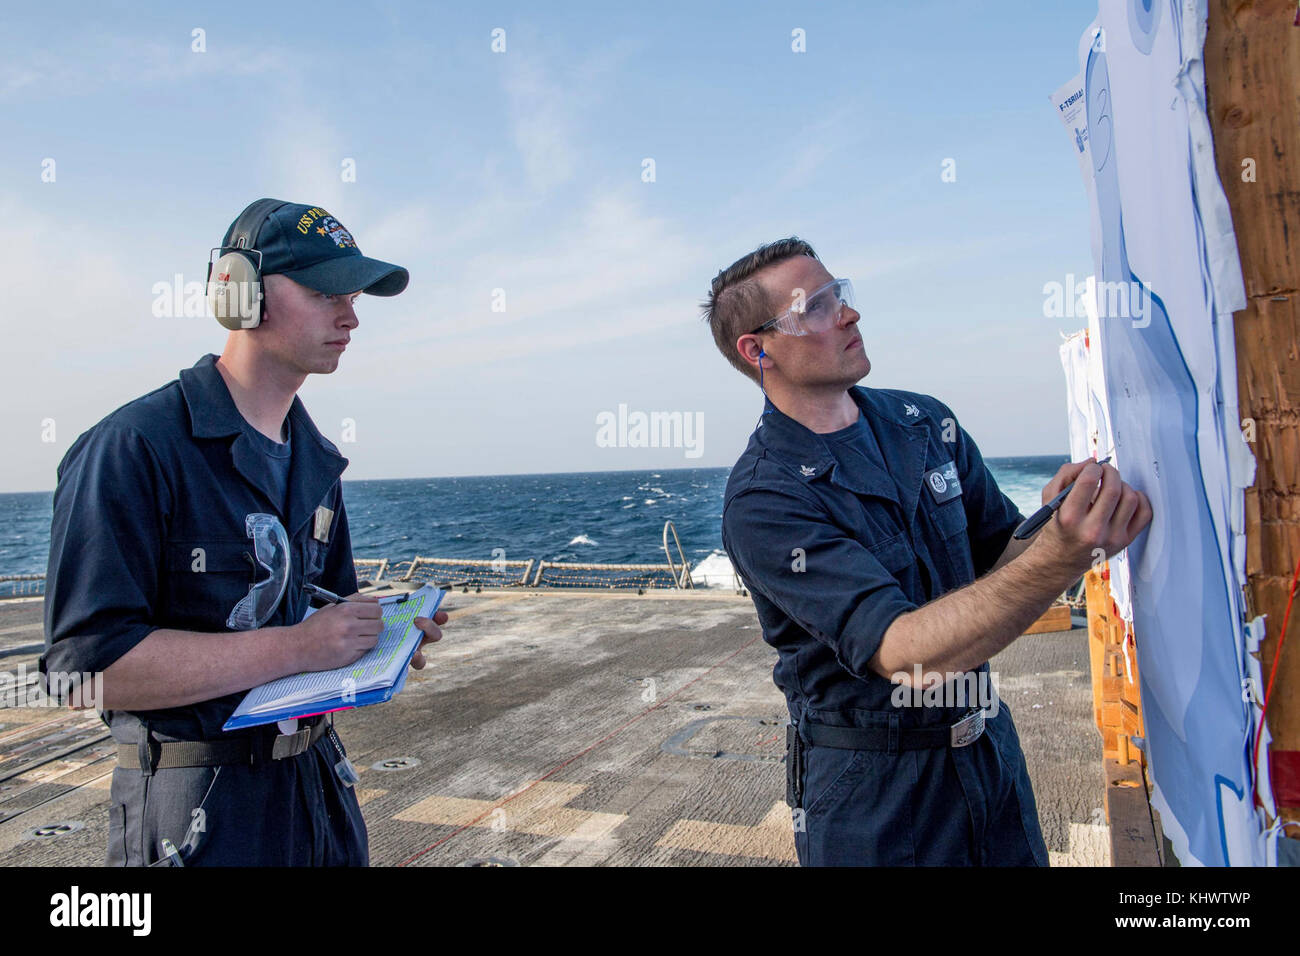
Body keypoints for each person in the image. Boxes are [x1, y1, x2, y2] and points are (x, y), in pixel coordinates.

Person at [704, 238, 1152, 866]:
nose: (848, 315)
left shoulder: (924, 422)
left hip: (987, 751)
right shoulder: (764, 500)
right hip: (875, 793)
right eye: (817, 307)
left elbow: (1002, 556)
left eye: (842, 296)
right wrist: (1062, 553)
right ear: (758, 350)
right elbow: (905, 655)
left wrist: (1055, 519)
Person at [40, 198, 448, 866]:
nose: (349, 316)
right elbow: (86, 671)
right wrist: (296, 648)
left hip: (320, 799)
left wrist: (379, 640)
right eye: (324, 292)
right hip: (198, 817)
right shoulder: (133, 448)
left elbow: (322, 615)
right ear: (239, 294)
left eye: (353, 296)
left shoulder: (314, 458)